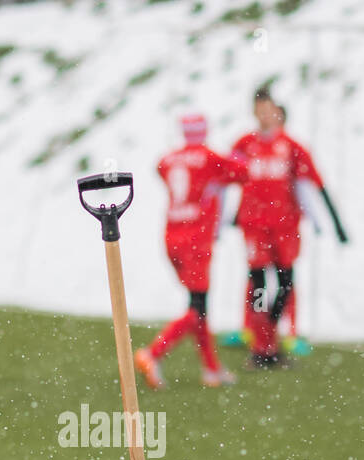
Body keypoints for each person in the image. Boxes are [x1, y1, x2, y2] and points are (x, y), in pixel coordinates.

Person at [230, 88, 340, 369]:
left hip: (285, 227)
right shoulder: (244, 145)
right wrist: (228, 216)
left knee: (285, 284)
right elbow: (225, 178)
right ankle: (260, 347)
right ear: (254, 112)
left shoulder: (291, 146)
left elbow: (311, 183)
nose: (265, 115)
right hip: (255, 227)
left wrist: (329, 223)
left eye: (269, 109)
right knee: (257, 285)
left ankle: (269, 337)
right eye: (260, 110)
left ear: (277, 111)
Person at [135, 114, 246, 389]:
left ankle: (211, 369)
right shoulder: (210, 159)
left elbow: (159, 168)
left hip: (172, 236)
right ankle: (153, 353)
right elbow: (242, 173)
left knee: (198, 306)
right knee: (197, 308)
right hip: (196, 239)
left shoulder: (169, 159)